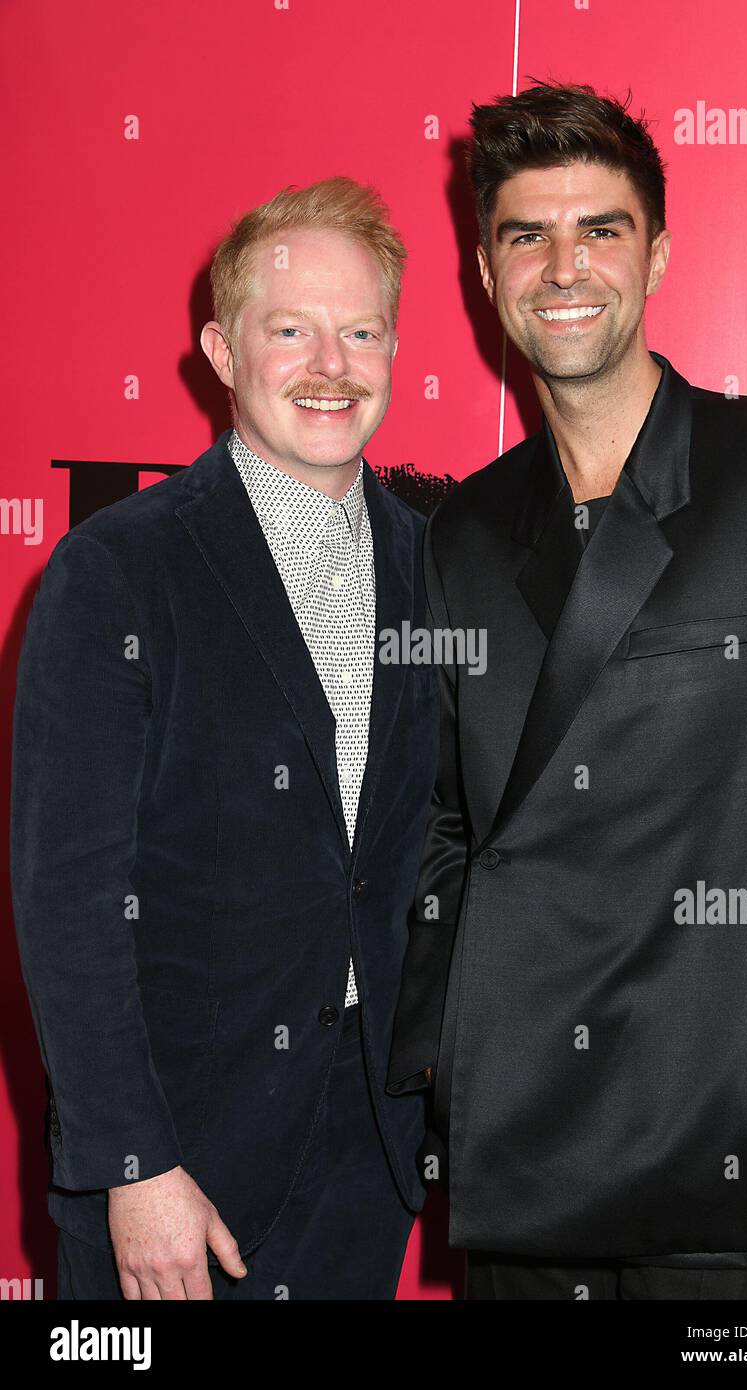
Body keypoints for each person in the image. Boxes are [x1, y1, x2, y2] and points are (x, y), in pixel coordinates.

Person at [387, 81, 747, 1301]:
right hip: (522, 1143)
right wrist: (457, 1045)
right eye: (523, 234)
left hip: (723, 1147)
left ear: (656, 251)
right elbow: (449, 818)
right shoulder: (468, 533)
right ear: (484, 272)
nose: (563, 266)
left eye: (598, 228)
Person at [12, 176, 439, 1300]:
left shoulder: (435, 565)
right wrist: (132, 1162)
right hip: (172, 1151)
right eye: (289, 329)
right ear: (220, 348)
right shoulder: (117, 570)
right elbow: (68, 891)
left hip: (366, 1148)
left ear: (395, 345)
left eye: (358, 331)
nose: (329, 364)